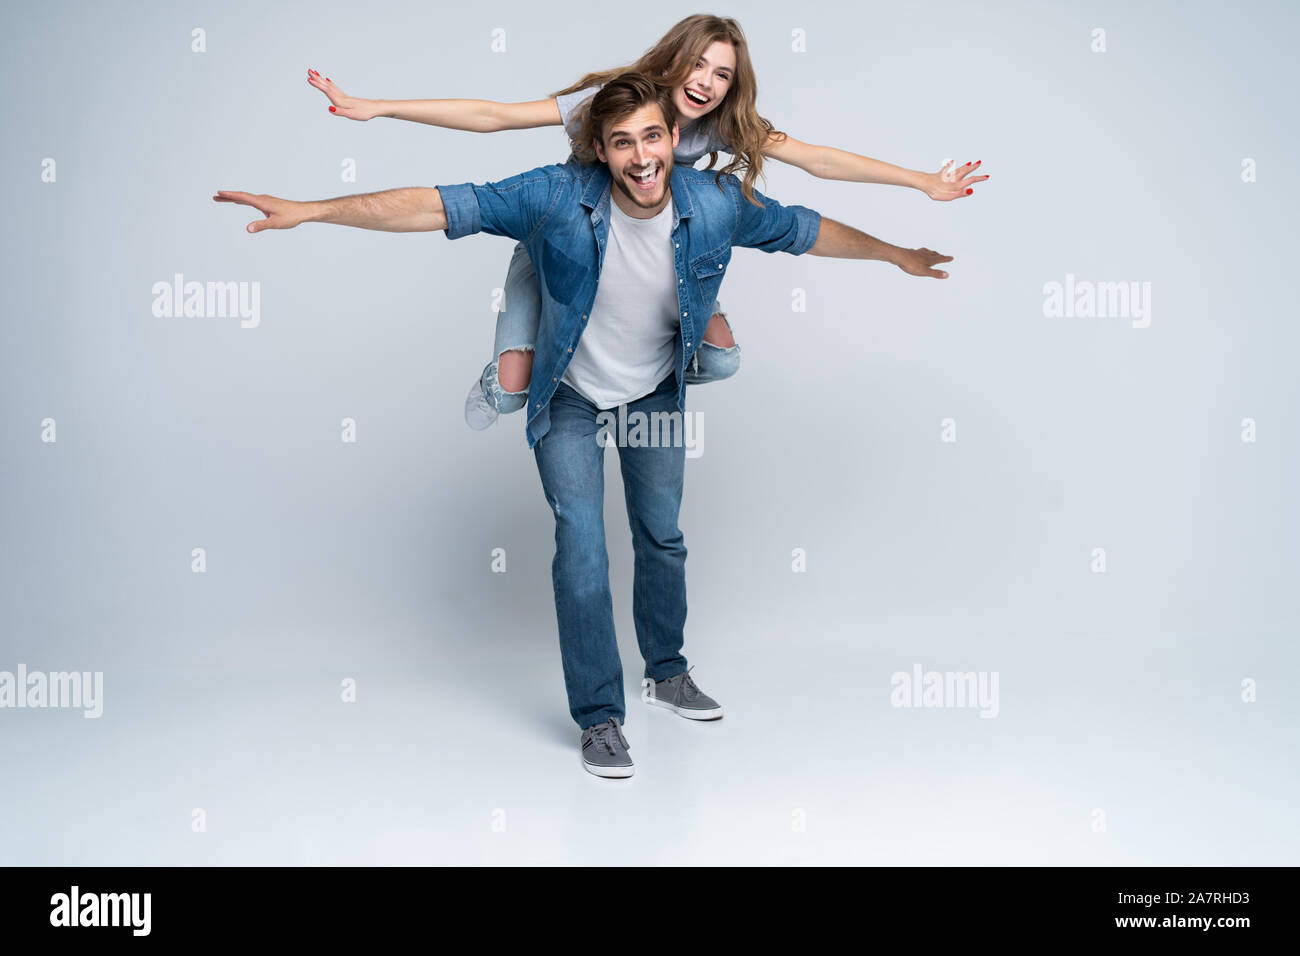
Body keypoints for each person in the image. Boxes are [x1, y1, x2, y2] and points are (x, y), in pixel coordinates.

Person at [214, 72, 954, 779]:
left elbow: (805, 228)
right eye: (623, 142)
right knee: (583, 546)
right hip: (568, 394)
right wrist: (309, 209)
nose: (642, 157)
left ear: (677, 138)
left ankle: (666, 673)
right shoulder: (554, 195)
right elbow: (433, 205)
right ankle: (600, 715)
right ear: (599, 150)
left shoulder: (716, 199)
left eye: (654, 138)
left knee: (661, 533)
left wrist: (898, 257)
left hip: (654, 391)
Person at [304, 14, 987, 430]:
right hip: (566, 247)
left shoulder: (723, 124)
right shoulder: (616, 103)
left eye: (724, 74)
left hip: (652, 255)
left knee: (720, 357)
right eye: (700, 64)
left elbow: (818, 160)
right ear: (676, 59)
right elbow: (495, 114)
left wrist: (921, 182)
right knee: (513, 393)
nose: (709, 81)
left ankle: (631, 372)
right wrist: (379, 106)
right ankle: (507, 379)